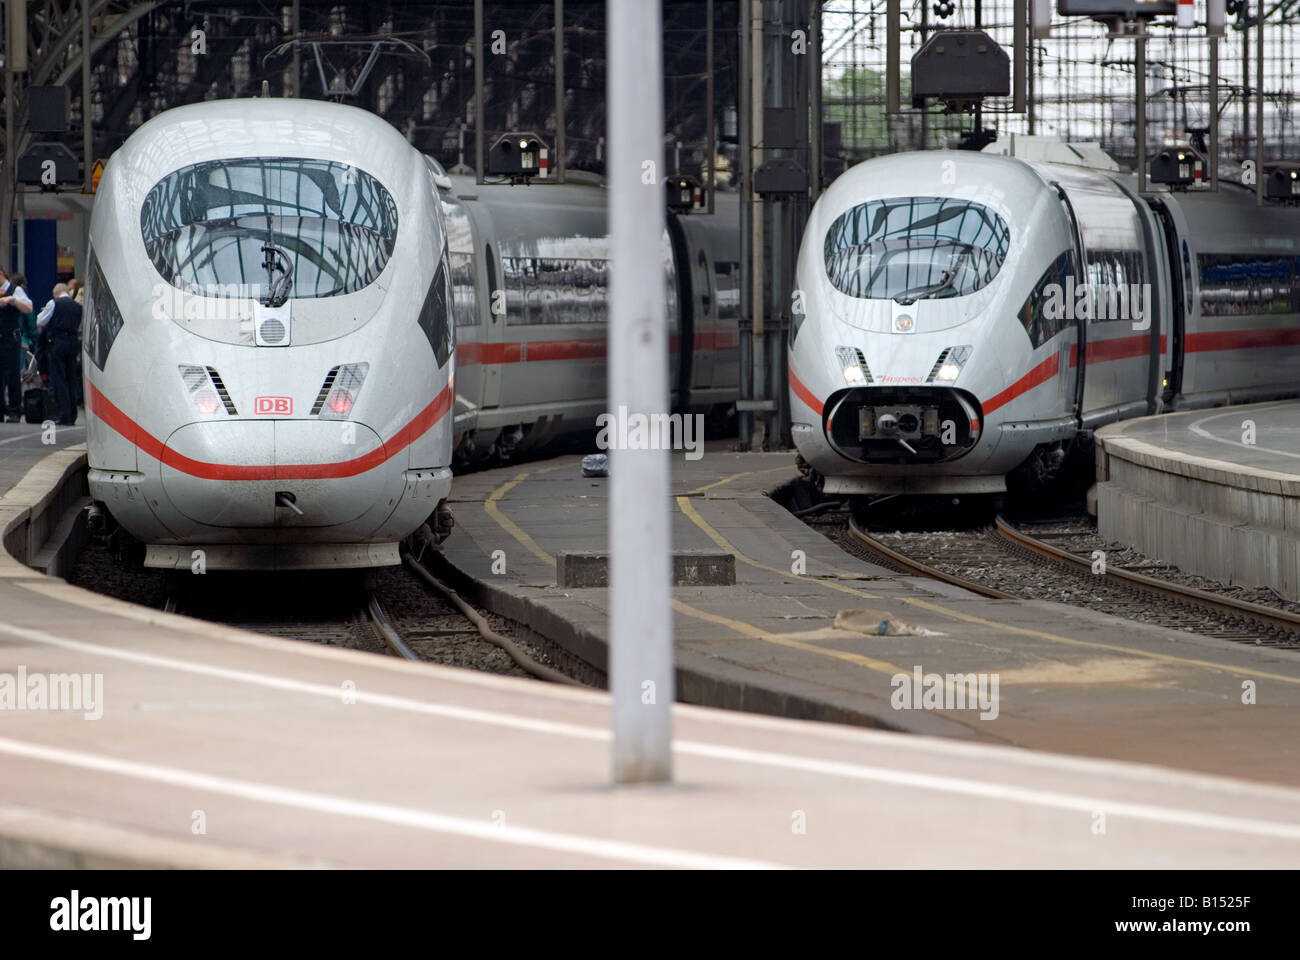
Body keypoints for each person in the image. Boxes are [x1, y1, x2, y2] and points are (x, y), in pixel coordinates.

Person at [37, 282, 82, 425]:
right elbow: (80, 326)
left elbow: (41, 320)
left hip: (57, 343)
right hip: (73, 343)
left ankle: (64, 414)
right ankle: (73, 414)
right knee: (71, 378)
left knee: (59, 379)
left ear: (55, 293)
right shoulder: (78, 307)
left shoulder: (54, 303)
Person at [0, 266, 34, 422]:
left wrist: (13, 300)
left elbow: (28, 308)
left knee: (12, 374)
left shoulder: (15, 290)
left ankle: (14, 411)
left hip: (11, 337)